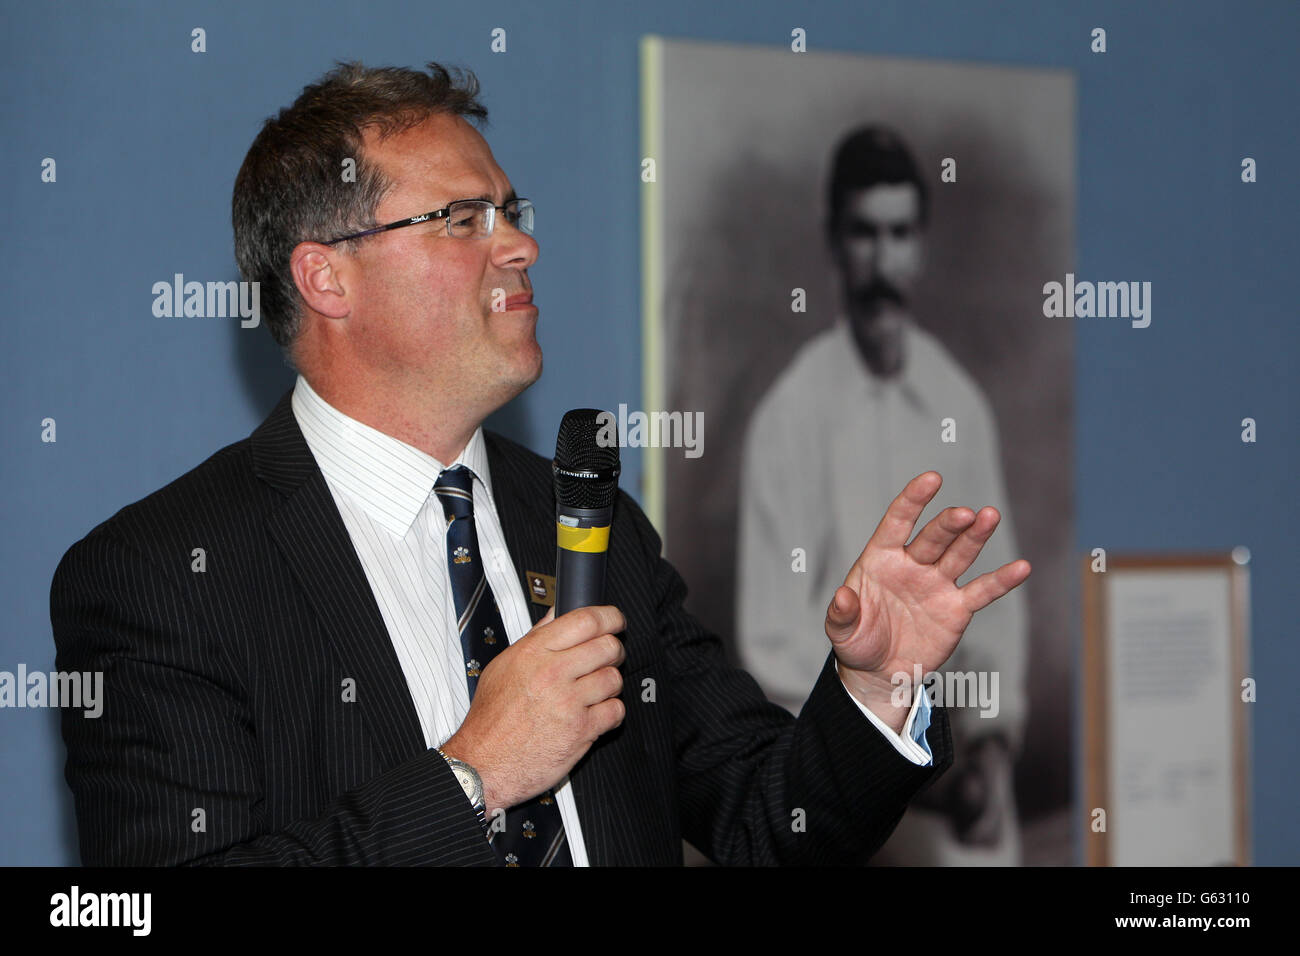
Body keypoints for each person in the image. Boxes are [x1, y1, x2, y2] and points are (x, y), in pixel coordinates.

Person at [50, 64, 1029, 866]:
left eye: (510, 212)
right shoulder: (165, 574)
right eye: (461, 219)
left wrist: (873, 687)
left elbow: (770, 825)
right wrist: (471, 775)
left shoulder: (589, 521)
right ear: (325, 275)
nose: (520, 245)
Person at [736, 126, 1030, 865]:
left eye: (899, 234)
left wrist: (988, 758)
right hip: (843, 805)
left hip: (964, 819)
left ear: (921, 245)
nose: (882, 262)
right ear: (835, 242)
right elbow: (771, 641)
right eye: (864, 234)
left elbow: (999, 613)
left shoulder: (958, 400)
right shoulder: (789, 415)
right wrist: (897, 745)